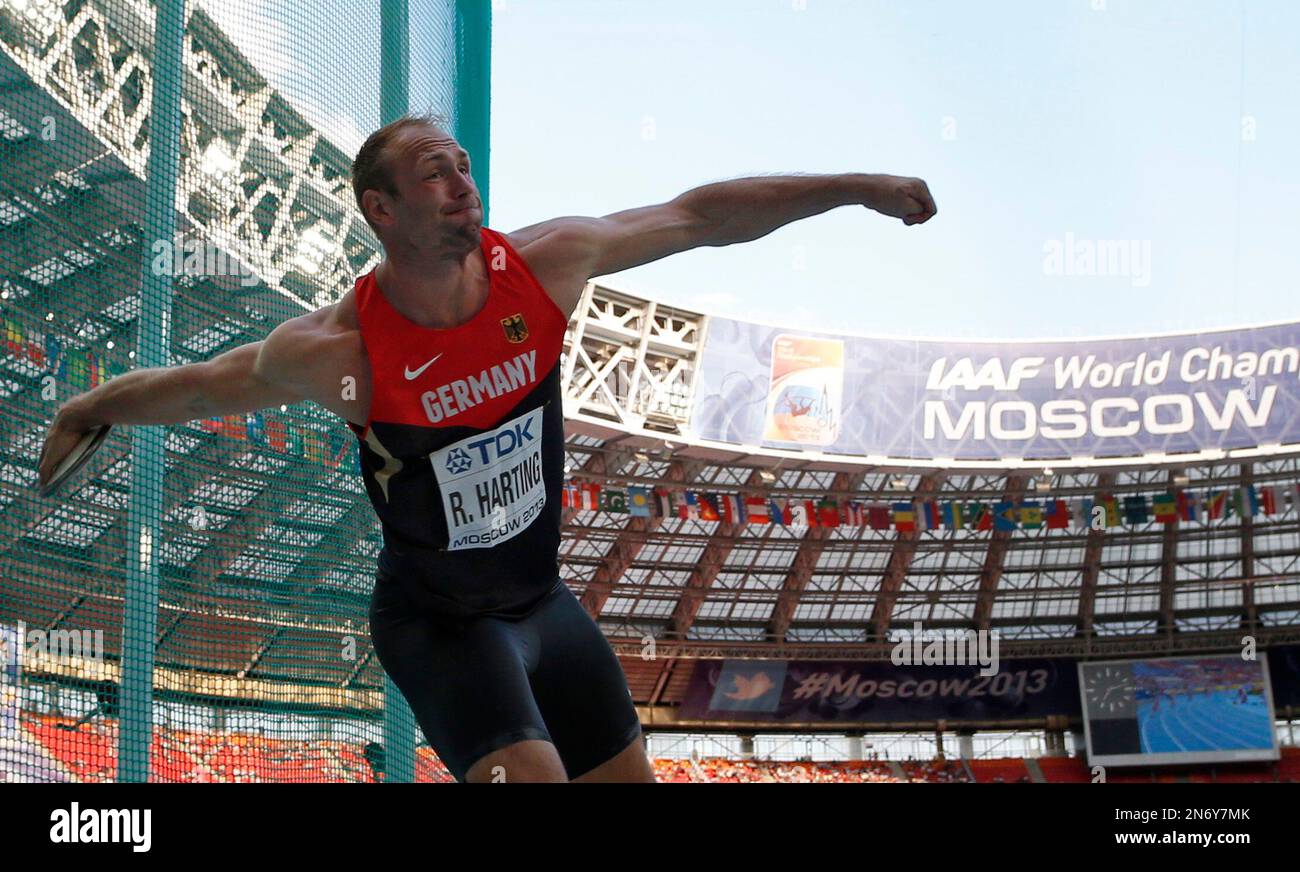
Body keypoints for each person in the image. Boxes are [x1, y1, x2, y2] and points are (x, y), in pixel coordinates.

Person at [38, 111, 936, 782]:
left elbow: (701, 215)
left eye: (463, 165)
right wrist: (91, 403)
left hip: (545, 605)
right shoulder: (340, 352)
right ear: (379, 208)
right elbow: (203, 383)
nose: (462, 182)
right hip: (439, 623)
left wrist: (856, 187)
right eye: (435, 173)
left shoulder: (548, 266)